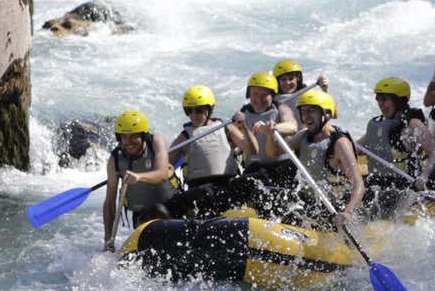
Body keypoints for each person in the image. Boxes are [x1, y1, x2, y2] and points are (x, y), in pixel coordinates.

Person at [165, 84, 251, 218]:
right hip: (199, 190)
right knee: (205, 193)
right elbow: (165, 165)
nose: (193, 115)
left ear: (209, 109)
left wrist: (243, 126)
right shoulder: (185, 137)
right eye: (189, 111)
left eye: (198, 110)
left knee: (250, 182)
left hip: (225, 184)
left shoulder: (226, 127)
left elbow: (250, 149)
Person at [282, 88, 364, 228]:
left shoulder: (340, 144)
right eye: (303, 111)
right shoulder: (304, 135)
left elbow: (359, 185)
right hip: (308, 202)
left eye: (311, 111)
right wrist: (270, 132)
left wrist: (348, 213)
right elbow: (275, 152)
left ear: (325, 113)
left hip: (333, 209)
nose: (306, 116)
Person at [101, 111, 176, 251]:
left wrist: (139, 176)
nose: (128, 142)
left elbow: (162, 174)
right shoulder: (115, 160)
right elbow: (110, 203)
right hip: (144, 215)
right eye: (124, 137)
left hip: (172, 204)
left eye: (133, 136)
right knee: (157, 211)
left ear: (143, 135)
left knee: (204, 193)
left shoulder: (155, 141)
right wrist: (108, 239)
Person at [359, 76, 435, 215]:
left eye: (385, 99)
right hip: (378, 187)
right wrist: (362, 176)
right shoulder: (378, 126)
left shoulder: (412, 124)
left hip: (404, 188)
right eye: (378, 99)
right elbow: (358, 150)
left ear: (399, 101)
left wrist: (423, 177)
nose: (380, 104)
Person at [229, 70, 299, 210]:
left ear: (272, 95)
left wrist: (273, 127)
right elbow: (238, 144)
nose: (259, 100)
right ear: (249, 94)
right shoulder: (241, 115)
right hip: (256, 168)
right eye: (255, 94)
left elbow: (292, 126)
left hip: (281, 166)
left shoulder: (280, 108)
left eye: (264, 95)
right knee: (239, 184)